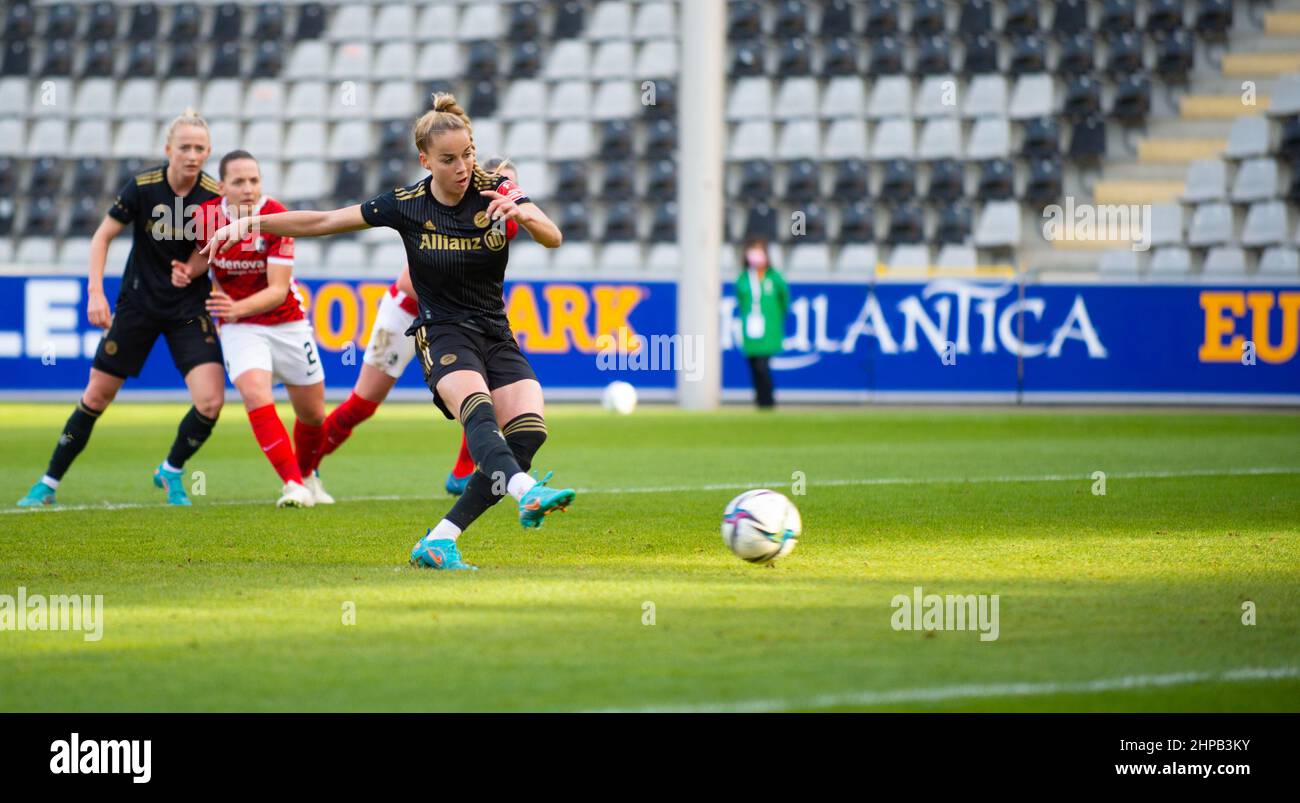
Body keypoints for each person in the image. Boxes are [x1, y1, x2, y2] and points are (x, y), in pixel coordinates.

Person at [201, 95, 575, 571]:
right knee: (477, 415)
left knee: (528, 433)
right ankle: (524, 490)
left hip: (495, 331)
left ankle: (440, 539)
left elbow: (553, 235)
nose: (462, 167)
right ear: (425, 161)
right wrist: (252, 221)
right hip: (442, 333)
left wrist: (525, 214)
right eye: (448, 160)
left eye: (468, 155)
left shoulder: (495, 188)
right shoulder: (406, 204)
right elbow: (323, 221)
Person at [18, 110, 224, 508]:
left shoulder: (213, 195)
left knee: (211, 403)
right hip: (139, 305)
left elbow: (211, 247)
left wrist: (194, 268)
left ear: (208, 152)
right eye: (185, 147)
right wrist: (95, 294)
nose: (192, 155)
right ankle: (47, 483)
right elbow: (102, 236)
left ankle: (171, 470)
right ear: (168, 150)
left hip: (187, 308)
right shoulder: (143, 186)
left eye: (200, 148)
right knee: (95, 398)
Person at [319, 158, 520, 498]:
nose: (507, 193)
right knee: (363, 404)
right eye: (501, 184)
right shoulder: (448, 209)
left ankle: (461, 474)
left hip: (454, 321)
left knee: (483, 395)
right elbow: (410, 282)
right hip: (405, 312)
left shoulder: (506, 225)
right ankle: (305, 462)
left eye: (513, 187)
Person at [172, 149, 328, 508]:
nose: (248, 188)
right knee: (256, 394)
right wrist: (189, 271)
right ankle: (292, 484)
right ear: (222, 186)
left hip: (287, 323)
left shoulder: (276, 216)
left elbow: (276, 291)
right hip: (240, 328)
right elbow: (203, 252)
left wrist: (234, 307)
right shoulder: (206, 216)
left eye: (254, 180)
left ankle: (307, 473)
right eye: (239, 181)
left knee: (313, 414)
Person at [734, 236, 790, 410]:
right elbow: (741, 300)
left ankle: (768, 401)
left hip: (768, 329)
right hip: (751, 330)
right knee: (753, 366)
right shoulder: (744, 278)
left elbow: (784, 300)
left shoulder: (774, 277)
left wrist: (776, 318)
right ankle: (760, 401)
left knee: (762, 366)